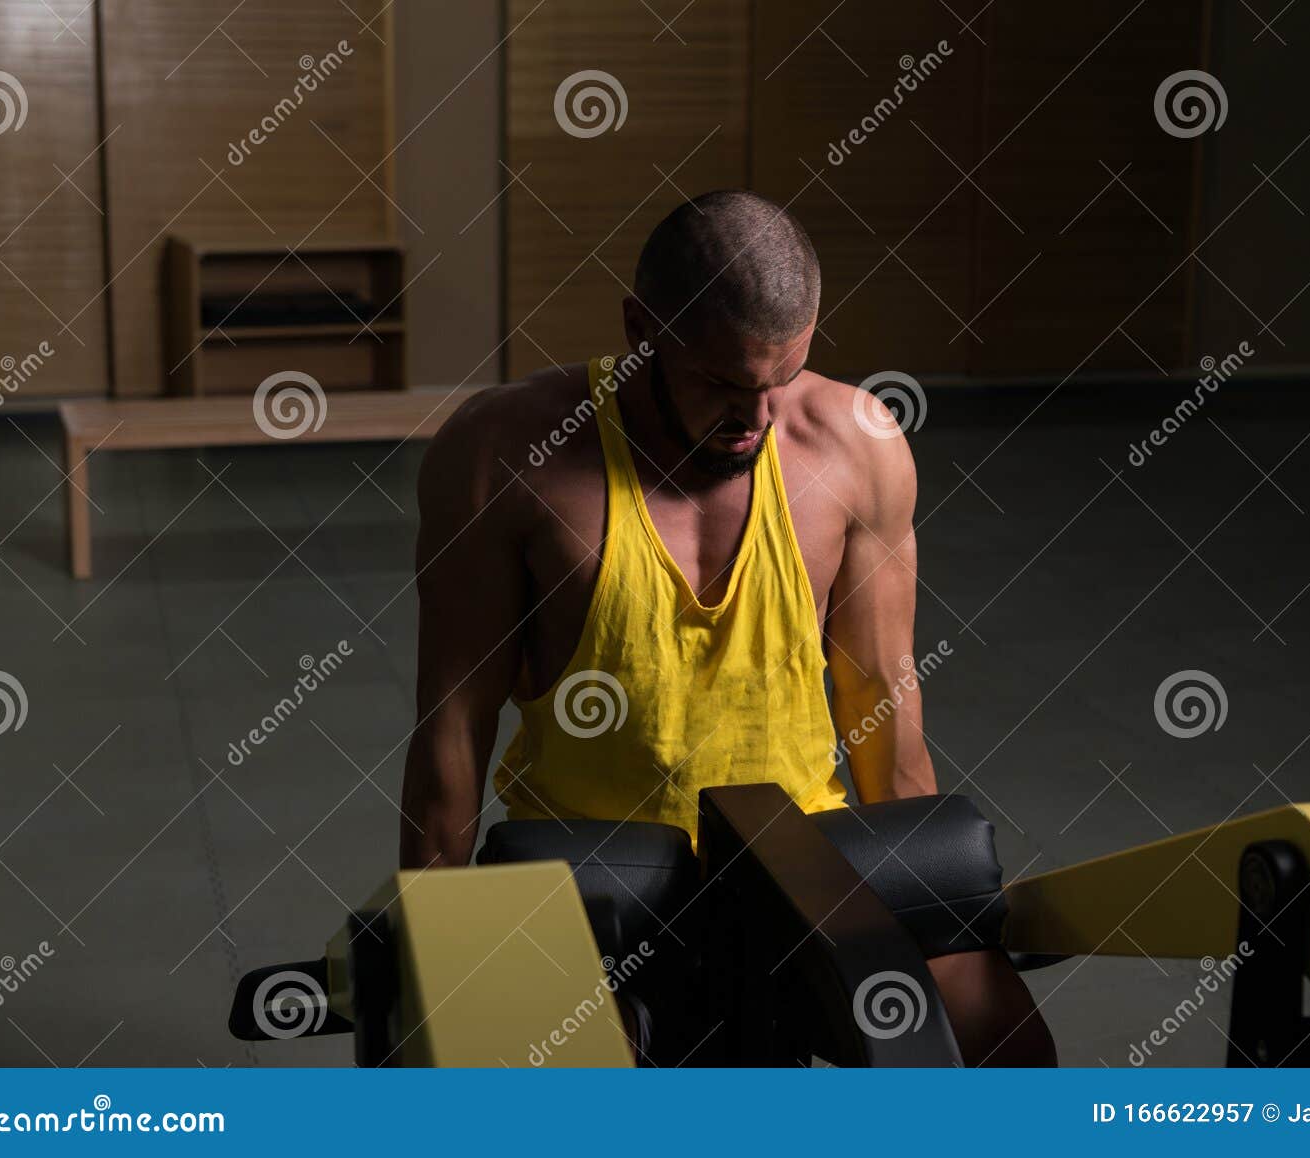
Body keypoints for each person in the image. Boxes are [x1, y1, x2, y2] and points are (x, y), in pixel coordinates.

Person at [400, 189, 1055, 1066]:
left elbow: (882, 701)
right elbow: (452, 721)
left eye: (779, 381)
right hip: (592, 880)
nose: (754, 420)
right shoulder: (501, 451)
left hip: (801, 871)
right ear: (641, 329)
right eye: (720, 382)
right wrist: (436, 945)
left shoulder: (857, 444)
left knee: (1003, 1050)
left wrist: (937, 913)